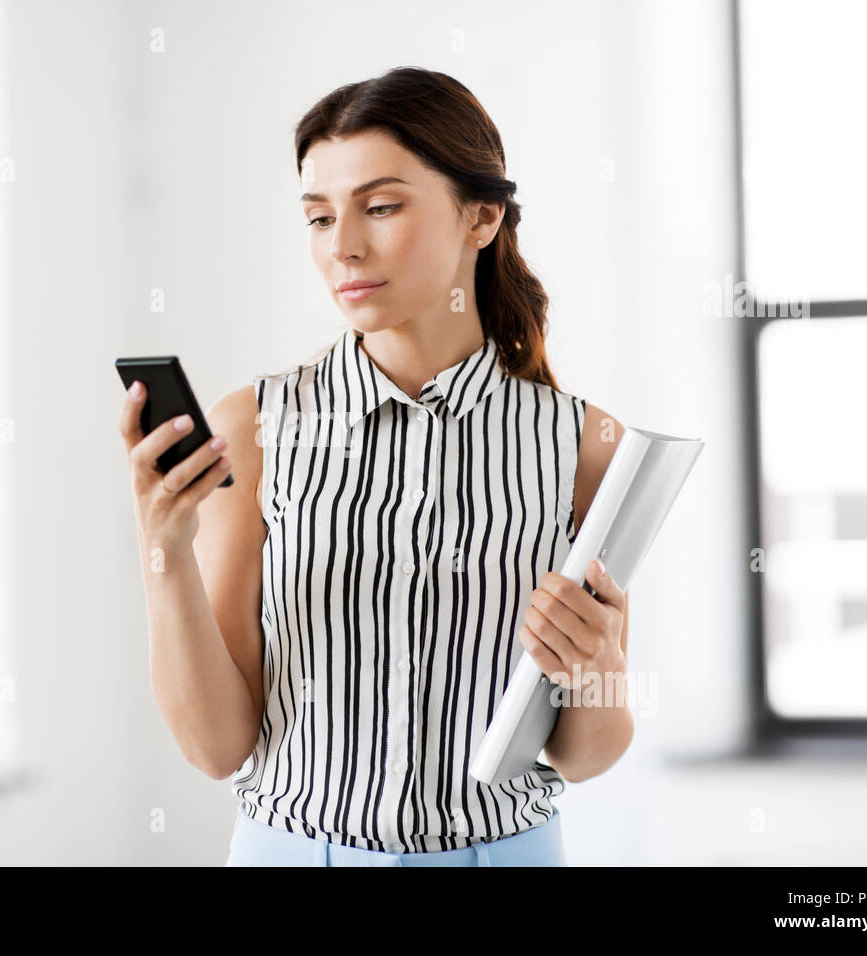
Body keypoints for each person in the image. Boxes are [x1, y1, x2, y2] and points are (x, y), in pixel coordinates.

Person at [119, 66, 631, 867]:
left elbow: (586, 753)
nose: (343, 247)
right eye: (319, 217)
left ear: (483, 215)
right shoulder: (253, 429)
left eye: (382, 206)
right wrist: (164, 550)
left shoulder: (586, 445)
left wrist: (599, 664)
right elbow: (217, 748)